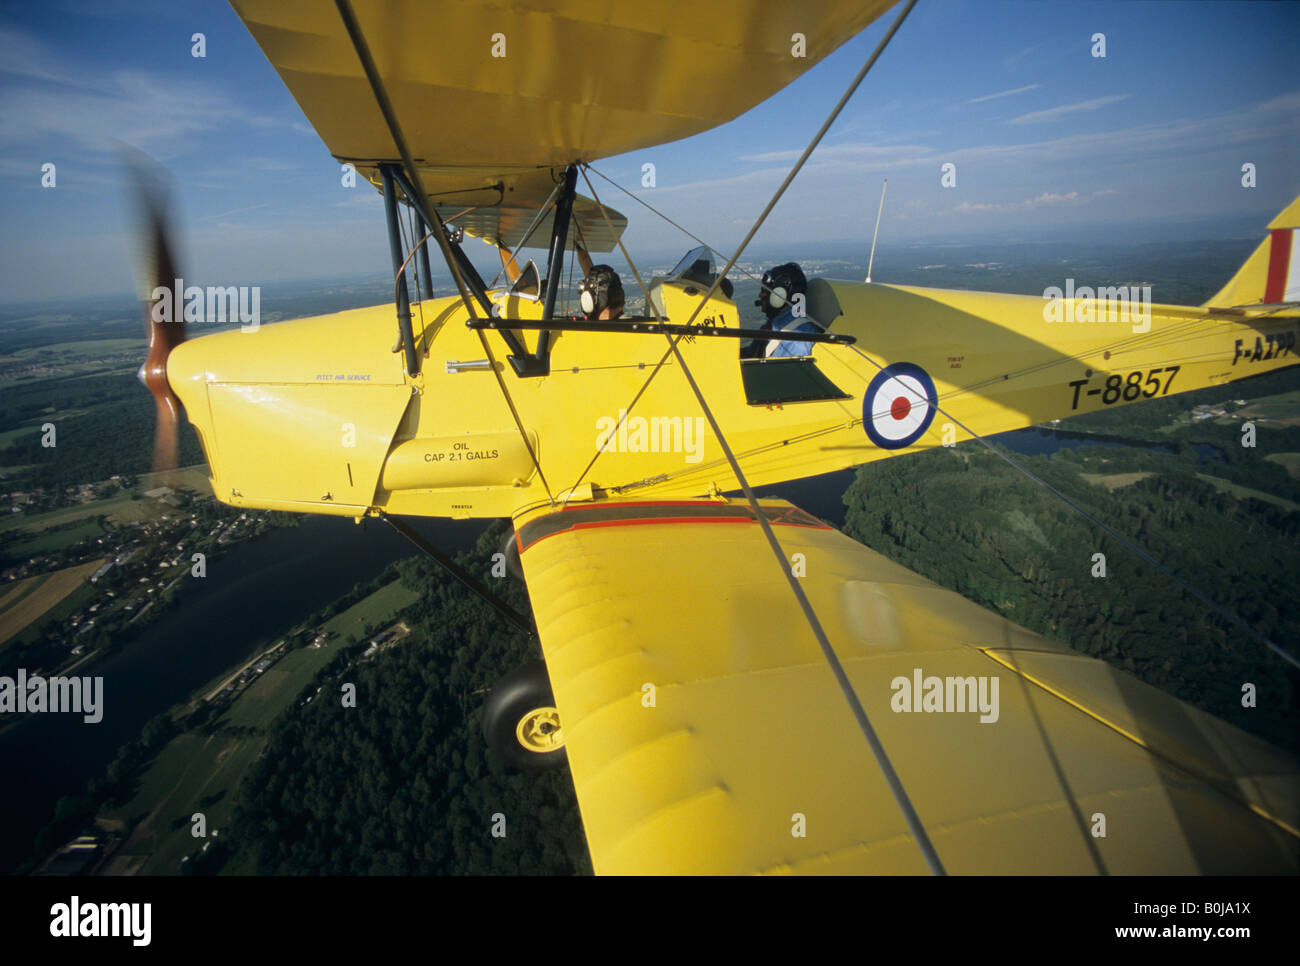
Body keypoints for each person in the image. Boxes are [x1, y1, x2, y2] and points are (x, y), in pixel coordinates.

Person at [743, 262, 819, 358]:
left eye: (764, 291)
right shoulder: (771, 326)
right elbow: (751, 355)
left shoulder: (797, 341)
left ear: (781, 294)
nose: (760, 295)